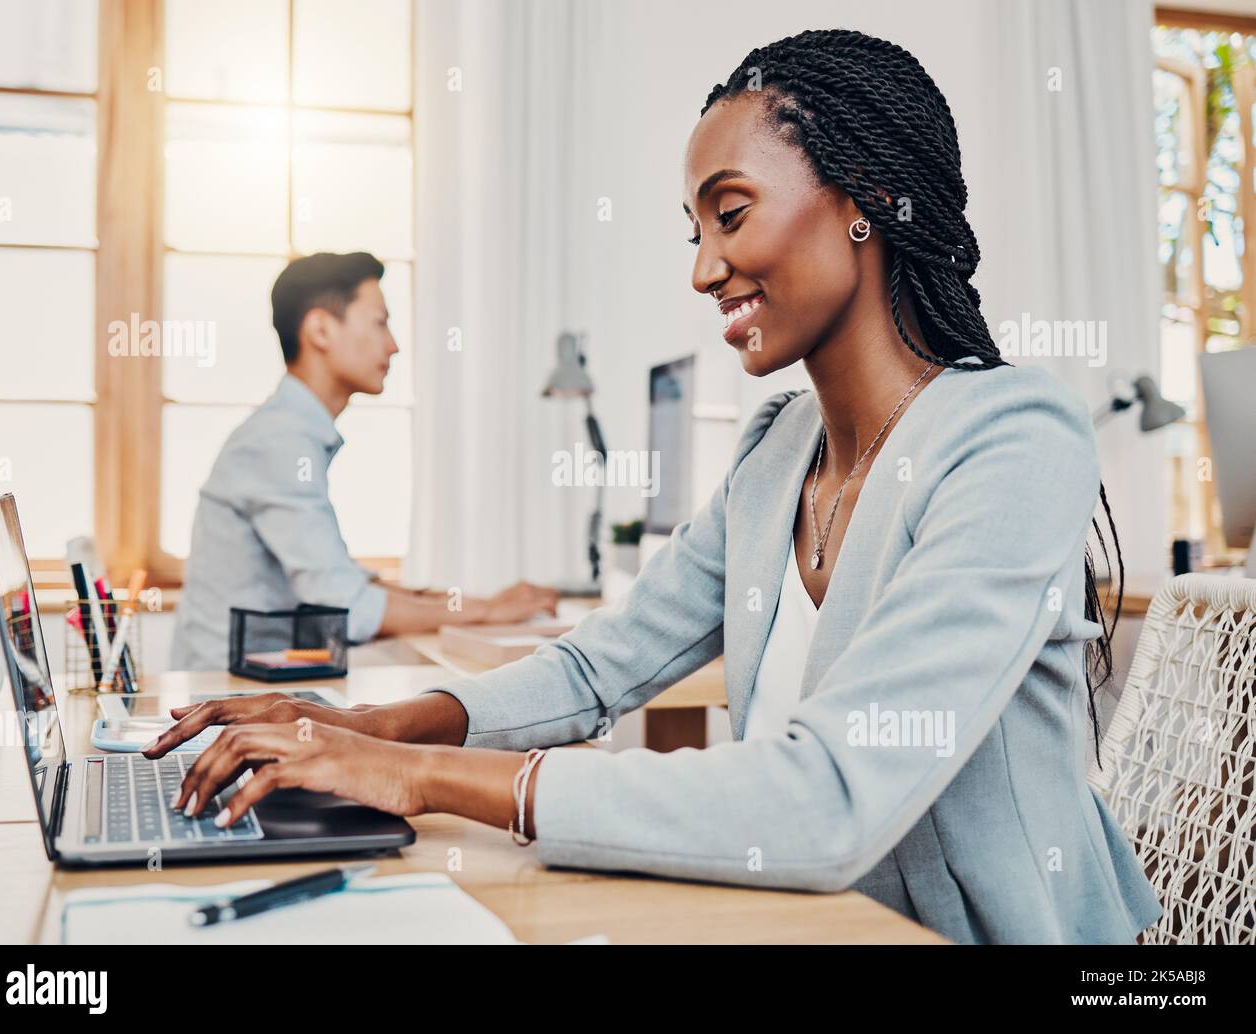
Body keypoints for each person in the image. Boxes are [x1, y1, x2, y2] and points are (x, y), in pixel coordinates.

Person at [148, 30, 1162, 944]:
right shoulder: (778, 452)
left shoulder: (1012, 441)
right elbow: (595, 671)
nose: (704, 269)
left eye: (729, 213)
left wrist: (421, 778)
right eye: (694, 233)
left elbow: (829, 797)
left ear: (860, 199)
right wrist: (377, 725)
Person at [170, 251, 558, 670]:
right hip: (226, 693)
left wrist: (479, 603)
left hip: (264, 680)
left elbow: (346, 583)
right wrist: (486, 611)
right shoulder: (277, 441)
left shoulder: (288, 432)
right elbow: (346, 604)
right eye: (379, 322)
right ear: (320, 329)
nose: (393, 345)